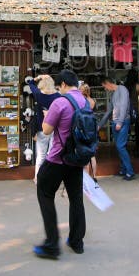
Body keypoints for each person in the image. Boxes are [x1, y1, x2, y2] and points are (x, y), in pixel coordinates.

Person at [34, 69, 86, 259]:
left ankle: (51, 244)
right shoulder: (84, 101)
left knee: (45, 192)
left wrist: (49, 116)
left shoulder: (60, 102)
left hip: (57, 158)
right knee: (76, 198)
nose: (58, 89)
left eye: (59, 86)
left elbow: (46, 130)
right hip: (77, 158)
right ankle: (76, 241)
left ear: (63, 84)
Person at [25, 74, 61, 183]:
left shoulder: (38, 95)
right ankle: (51, 178)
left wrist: (38, 77)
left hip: (42, 128)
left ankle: (38, 178)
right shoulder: (58, 96)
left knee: (41, 155)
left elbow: (30, 83)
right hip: (55, 128)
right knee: (52, 154)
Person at [99, 76, 134, 180]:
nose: (105, 89)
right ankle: (123, 169)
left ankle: (130, 171)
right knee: (120, 147)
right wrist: (99, 125)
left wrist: (120, 122)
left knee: (120, 146)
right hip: (116, 122)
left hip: (122, 122)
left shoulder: (122, 89)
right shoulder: (113, 94)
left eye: (104, 86)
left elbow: (123, 106)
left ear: (107, 83)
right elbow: (109, 111)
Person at [79, 82, 98, 183]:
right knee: (92, 154)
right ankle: (94, 176)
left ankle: (85, 178)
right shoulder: (93, 100)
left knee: (85, 152)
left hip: (85, 126)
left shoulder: (82, 101)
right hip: (93, 126)